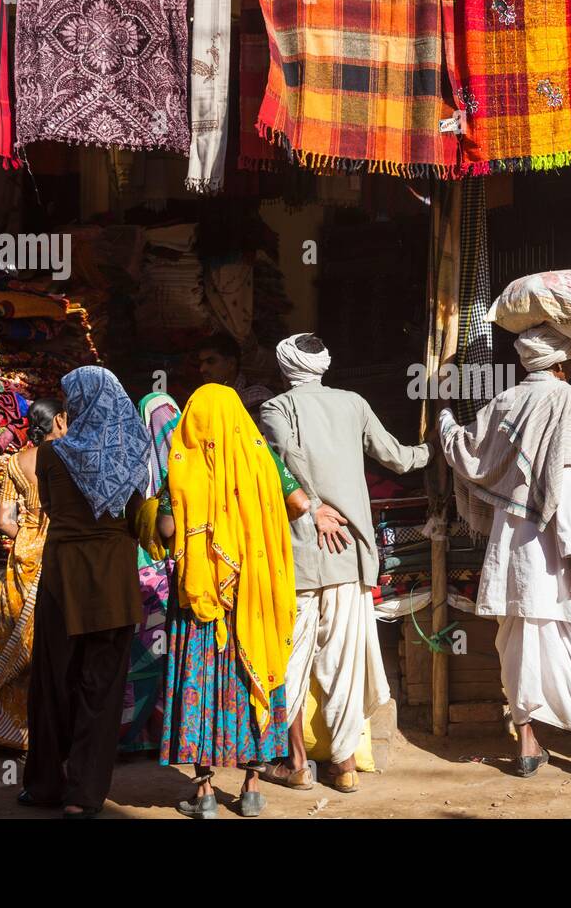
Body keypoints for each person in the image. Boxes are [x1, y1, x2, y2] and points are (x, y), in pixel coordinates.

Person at [439, 325, 571, 778]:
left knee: (519, 642)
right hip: (557, 549)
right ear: (562, 364)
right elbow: (569, 480)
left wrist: (445, 417)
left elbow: (464, 450)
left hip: (511, 551)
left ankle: (527, 745)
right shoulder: (566, 400)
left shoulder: (504, 403)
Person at [258, 333, 432, 793]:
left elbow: (283, 465)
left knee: (291, 661)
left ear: (284, 368)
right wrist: (431, 449)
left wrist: (313, 506)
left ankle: (297, 763)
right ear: (324, 365)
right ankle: (345, 763)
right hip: (349, 556)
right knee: (343, 663)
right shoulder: (352, 403)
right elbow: (395, 457)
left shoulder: (275, 410)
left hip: (299, 554)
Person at [159, 384, 303, 818]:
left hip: (200, 603)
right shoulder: (261, 457)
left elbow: (166, 530)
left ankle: (204, 795)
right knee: (250, 681)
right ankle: (253, 788)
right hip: (254, 597)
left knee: (200, 690)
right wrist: (258, 533)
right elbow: (297, 503)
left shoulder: (183, 465)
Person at [20, 367, 149, 818]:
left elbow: (52, 509)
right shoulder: (132, 453)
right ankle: (84, 795)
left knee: (54, 684)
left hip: (63, 581)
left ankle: (43, 786)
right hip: (112, 582)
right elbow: (138, 519)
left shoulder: (51, 455)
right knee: (102, 689)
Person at [0, 399, 67, 759]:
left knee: (4, 642)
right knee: (45, 649)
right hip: (58, 557)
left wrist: (29, 533)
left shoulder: (16, 463)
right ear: (60, 422)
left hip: (22, 560)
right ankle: (31, 736)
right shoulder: (69, 460)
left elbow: (4, 520)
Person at [117, 393, 182, 754]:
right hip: (148, 572)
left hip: (165, 572)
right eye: (161, 424)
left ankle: (157, 733)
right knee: (146, 654)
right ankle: (139, 733)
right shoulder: (138, 470)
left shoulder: (186, 472)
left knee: (165, 653)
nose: (169, 430)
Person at [197, 332, 273, 409]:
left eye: (211, 361)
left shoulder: (256, 398)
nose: (202, 369)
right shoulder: (207, 399)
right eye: (201, 363)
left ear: (231, 364)